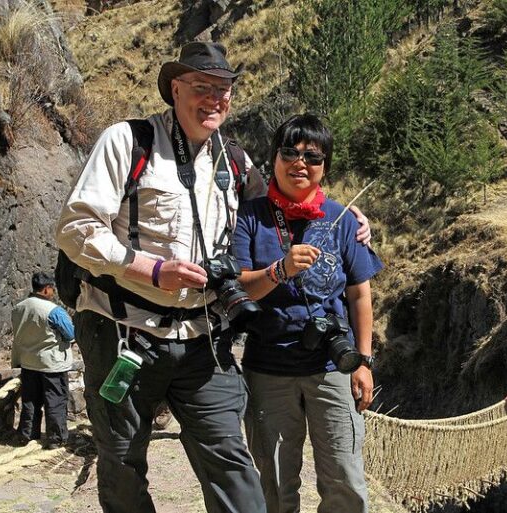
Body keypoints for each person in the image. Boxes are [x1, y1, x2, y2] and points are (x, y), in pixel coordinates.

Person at [55, 43, 369, 513]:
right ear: (174, 89)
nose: (214, 99)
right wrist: (151, 269)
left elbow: (280, 207)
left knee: (234, 468)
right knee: (122, 468)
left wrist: (345, 215)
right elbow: (76, 228)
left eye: (223, 89)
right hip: (123, 332)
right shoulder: (128, 142)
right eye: (202, 87)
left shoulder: (235, 161)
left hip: (204, 338)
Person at [233, 113, 382, 513]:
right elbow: (239, 287)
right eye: (290, 152)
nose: (300, 163)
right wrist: (280, 270)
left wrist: (364, 362)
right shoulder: (250, 217)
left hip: (333, 367)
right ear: (273, 159)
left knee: (345, 481)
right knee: (274, 485)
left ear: (325, 166)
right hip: (269, 369)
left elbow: (360, 295)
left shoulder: (344, 219)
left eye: (313, 156)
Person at [11, 272, 75, 449]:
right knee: (55, 401)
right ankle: (56, 439)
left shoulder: (18, 308)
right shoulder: (54, 311)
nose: (53, 292)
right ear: (46, 289)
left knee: (30, 401)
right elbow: (70, 334)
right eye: (52, 289)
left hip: (28, 362)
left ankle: (27, 436)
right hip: (52, 364)